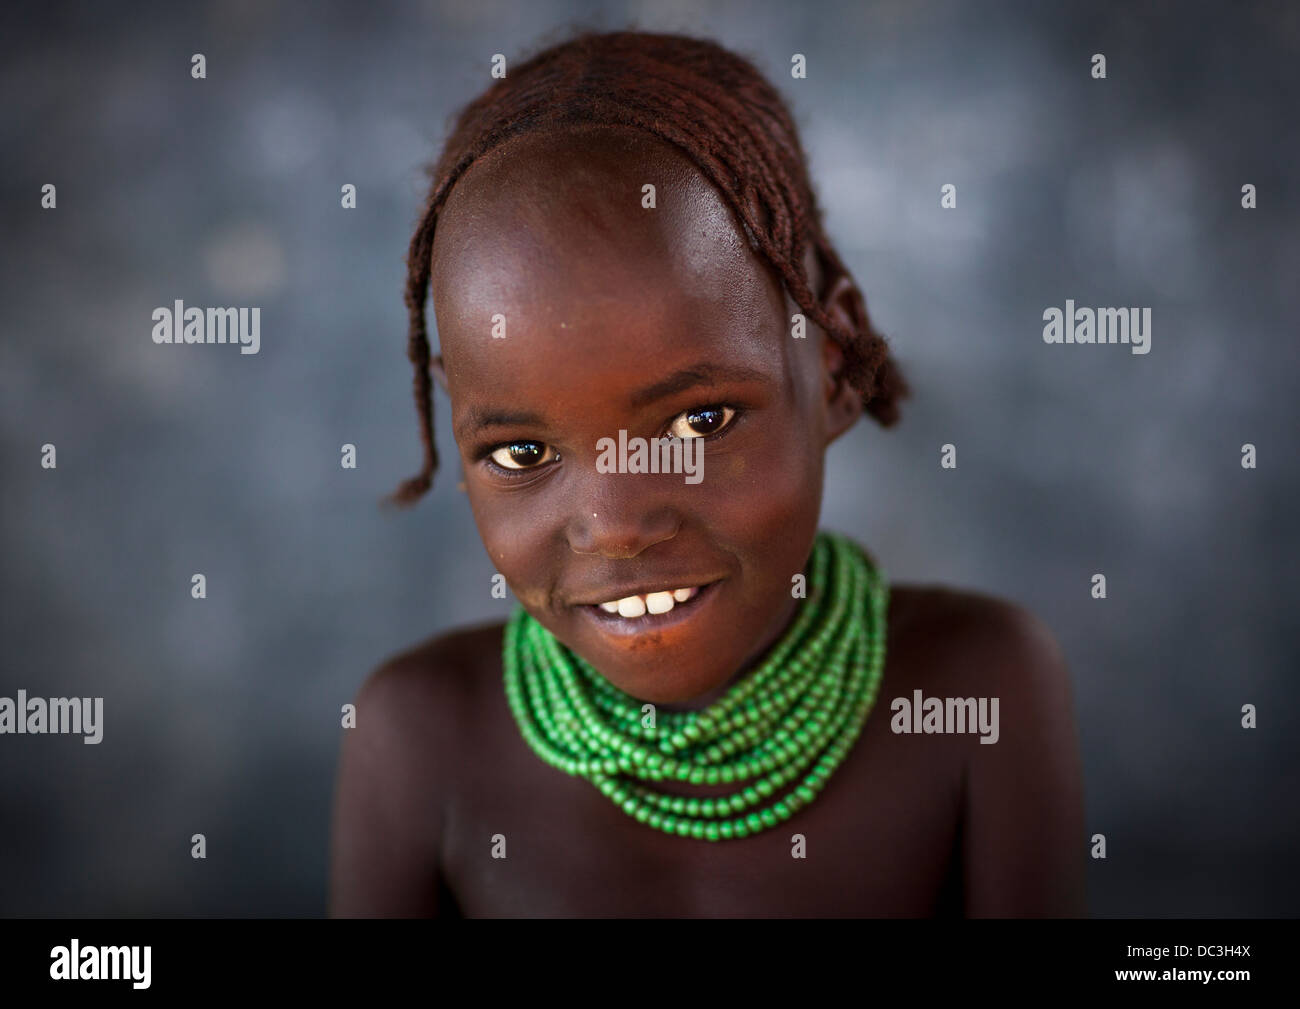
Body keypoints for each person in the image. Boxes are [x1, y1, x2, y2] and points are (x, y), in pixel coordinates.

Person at [329, 29, 1086, 917]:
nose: (614, 523)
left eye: (700, 421)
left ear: (834, 367)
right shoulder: (416, 738)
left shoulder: (976, 687)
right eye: (522, 453)